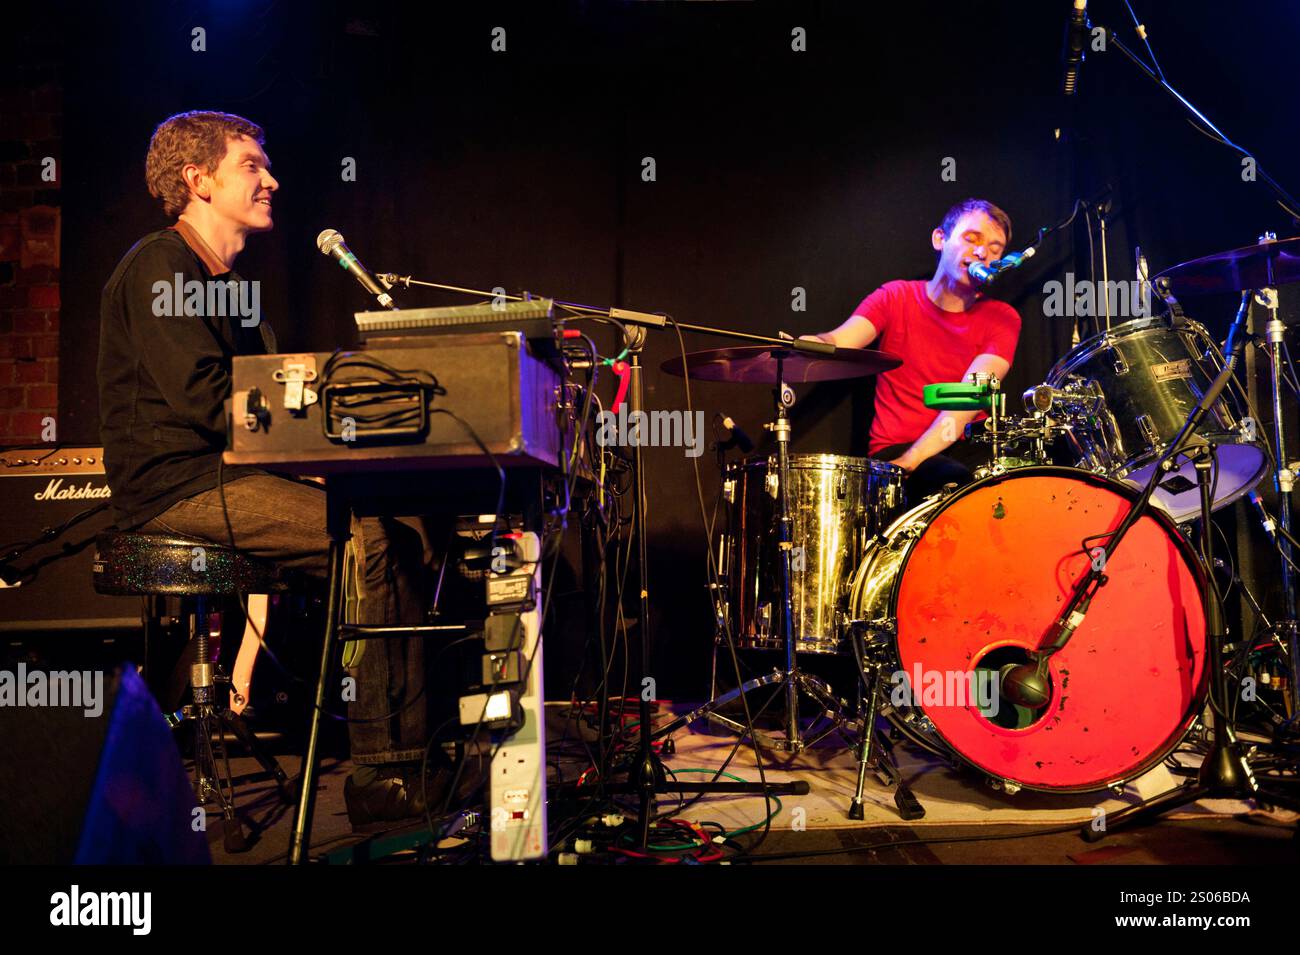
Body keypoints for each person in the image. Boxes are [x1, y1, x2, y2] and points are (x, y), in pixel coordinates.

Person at [97, 110, 440, 830]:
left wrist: (325, 455)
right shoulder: (162, 266)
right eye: (252, 165)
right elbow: (206, 401)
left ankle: (419, 746)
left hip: (224, 479)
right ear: (198, 180)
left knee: (405, 528)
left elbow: (267, 409)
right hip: (174, 492)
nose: (271, 179)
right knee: (369, 542)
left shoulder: (231, 287)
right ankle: (383, 776)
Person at [809, 198, 1021, 499]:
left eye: (995, 249)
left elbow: (971, 397)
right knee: (949, 479)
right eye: (971, 238)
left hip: (968, 450)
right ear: (940, 238)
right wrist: (806, 345)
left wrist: (915, 459)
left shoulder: (1002, 317)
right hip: (897, 450)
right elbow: (840, 341)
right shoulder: (894, 297)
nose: (981, 252)